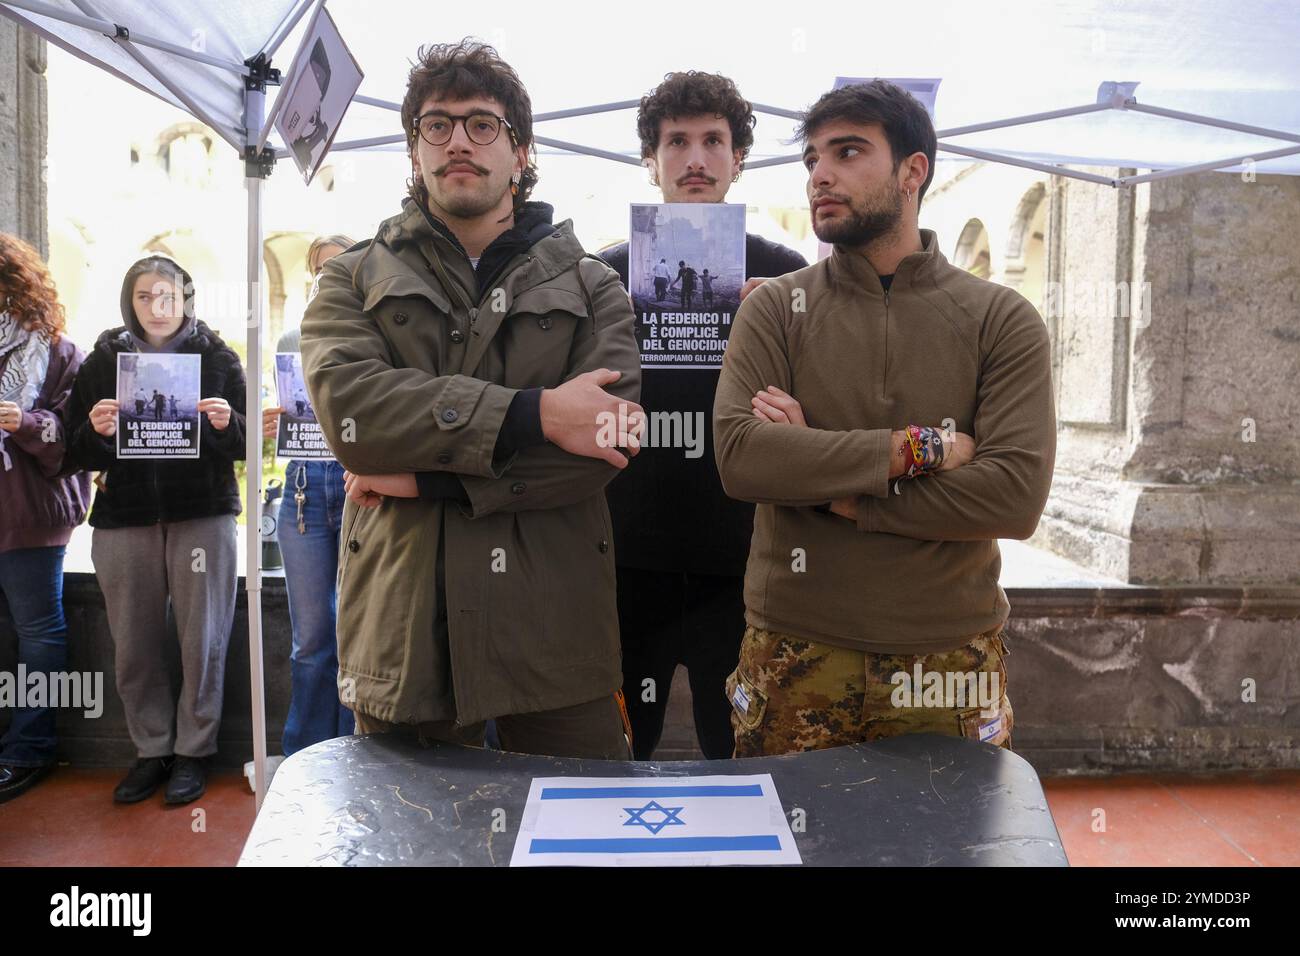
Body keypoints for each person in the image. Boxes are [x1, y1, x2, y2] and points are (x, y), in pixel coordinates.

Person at [300, 39, 643, 759]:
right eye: (437, 125)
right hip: (406, 634)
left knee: (582, 834)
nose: (459, 141)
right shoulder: (351, 278)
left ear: (520, 153)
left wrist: (425, 478)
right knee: (409, 839)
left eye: (482, 124)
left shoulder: (592, 284)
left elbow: (604, 443)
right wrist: (536, 415)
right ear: (414, 151)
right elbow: (354, 420)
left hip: (555, 631)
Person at [713, 80, 1057, 757]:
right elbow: (742, 458)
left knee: (948, 853)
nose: (821, 176)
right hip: (794, 651)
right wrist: (920, 448)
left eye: (847, 153)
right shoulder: (775, 309)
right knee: (791, 848)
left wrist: (836, 489)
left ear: (912, 171)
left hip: (947, 660)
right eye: (812, 159)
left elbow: (1013, 498)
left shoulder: (1001, 320)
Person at [599, 71, 807, 760]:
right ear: (651, 159)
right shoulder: (603, 275)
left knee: (741, 752)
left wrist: (783, 325)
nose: (695, 158)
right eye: (677, 141)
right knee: (621, 753)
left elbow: (821, 414)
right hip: (631, 558)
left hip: (740, 562)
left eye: (713, 141)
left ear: (738, 158)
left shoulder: (785, 275)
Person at [63, 254, 247, 803]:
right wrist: (95, 432)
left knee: (203, 640)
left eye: (168, 295)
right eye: (145, 296)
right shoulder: (103, 360)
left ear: (185, 299)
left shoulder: (217, 357)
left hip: (202, 515)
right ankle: (151, 751)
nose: (157, 307)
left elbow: (245, 444)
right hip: (125, 517)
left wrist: (224, 424)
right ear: (130, 302)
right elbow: (70, 451)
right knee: (133, 645)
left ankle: (194, 752)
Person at [0, 233, 92, 803]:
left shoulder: (58, 352)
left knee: (38, 634)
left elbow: (73, 438)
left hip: (30, 515)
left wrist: (23, 423)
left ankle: (30, 747)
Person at [262, 234, 357, 757]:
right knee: (311, 639)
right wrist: (273, 423)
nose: (328, 275)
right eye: (320, 269)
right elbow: (290, 419)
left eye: (339, 266)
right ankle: (304, 756)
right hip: (302, 484)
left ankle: (351, 751)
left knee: (354, 631)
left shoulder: (376, 333)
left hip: (356, 483)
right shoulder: (291, 340)